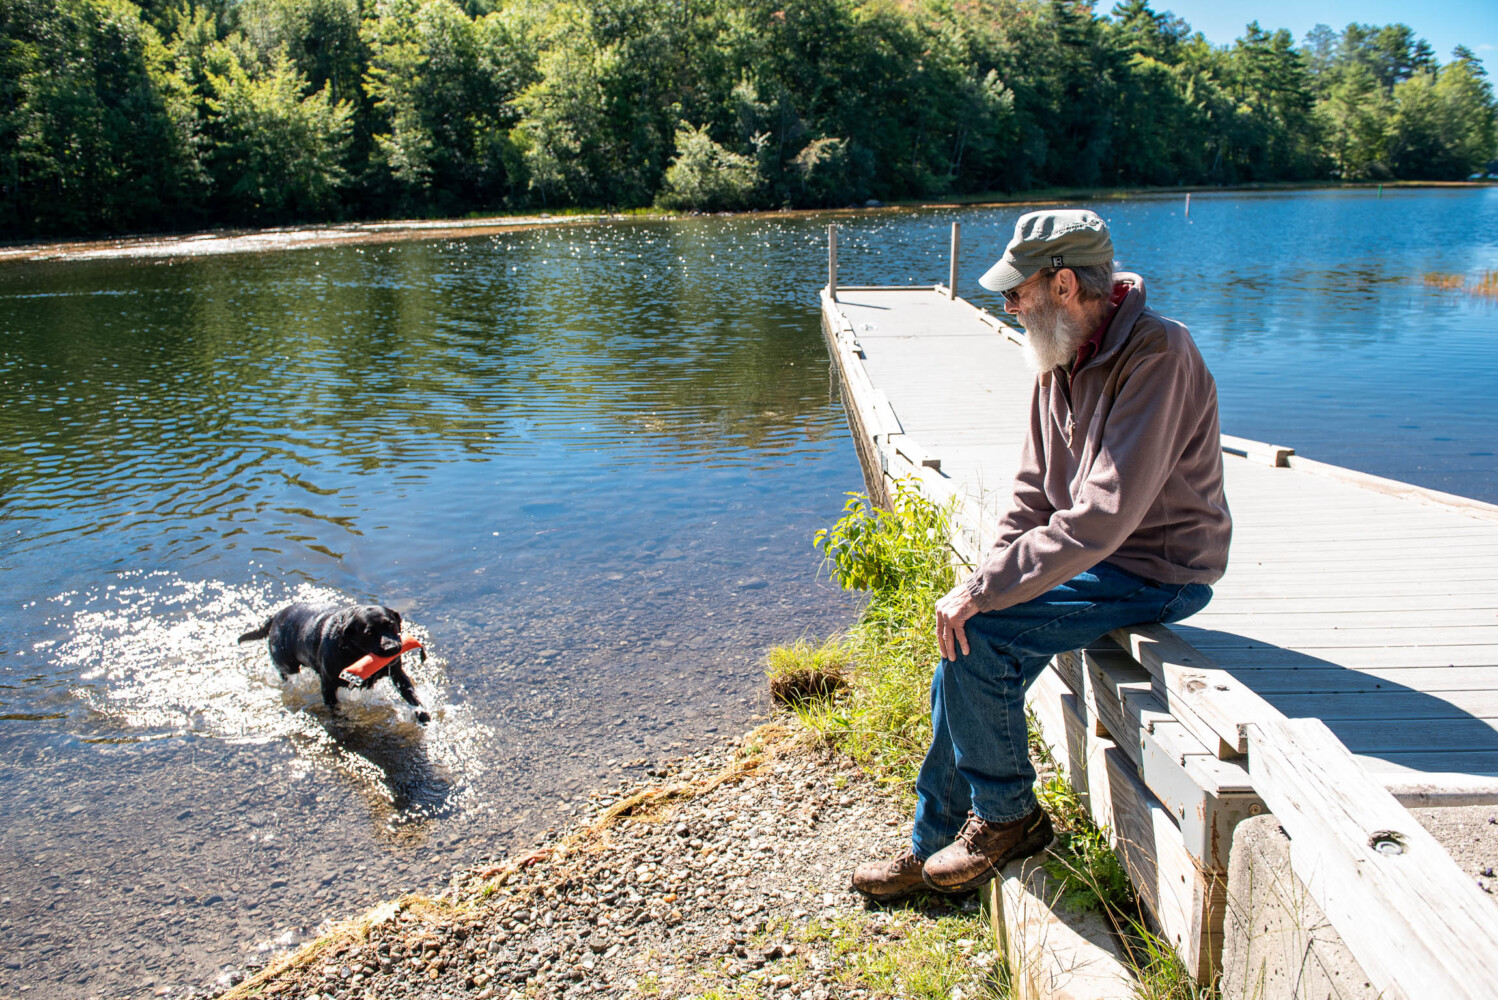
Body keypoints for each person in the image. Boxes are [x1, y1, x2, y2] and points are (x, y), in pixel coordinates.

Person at [851, 208, 1232, 900]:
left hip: (1157, 568)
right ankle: (930, 845)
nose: (1006, 305)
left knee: (986, 631)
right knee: (967, 637)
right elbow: (1031, 498)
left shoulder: (1159, 355)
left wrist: (991, 598)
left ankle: (1010, 818)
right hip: (1092, 557)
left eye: (1016, 291)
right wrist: (983, 581)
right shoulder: (1057, 354)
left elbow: (1104, 517)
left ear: (1062, 285)